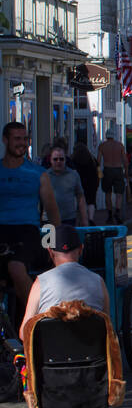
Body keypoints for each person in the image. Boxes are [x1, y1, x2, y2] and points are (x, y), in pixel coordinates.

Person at [1, 121, 61, 307]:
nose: (22, 143)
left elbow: (52, 211)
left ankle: (36, 319)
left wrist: (53, 244)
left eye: (25, 139)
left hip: (27, 232)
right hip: (2, 231)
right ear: (5, 140)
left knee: (16, 267)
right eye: (17, 139)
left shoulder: (38, 174)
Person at [45, 147, 89, 226]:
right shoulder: (44, 176)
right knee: (50, 239)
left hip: (69, 219)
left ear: (65, 160)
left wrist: (84, 219)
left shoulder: (73, 175)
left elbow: (81, 197)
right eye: (55, 159)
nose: (58, 161)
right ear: (50, 160)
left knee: (68, 238)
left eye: (61, 159)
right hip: (48, 220)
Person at [97, 128, 129, 222]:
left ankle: (110, 214)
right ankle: (117, 212)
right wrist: (126, 172)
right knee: (119, 193)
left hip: (107, 170)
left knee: (108, 193)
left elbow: (98, 161)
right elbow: (125, 161)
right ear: (114, 136)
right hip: (118, 169)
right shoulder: (120, 145)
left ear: (106, 136)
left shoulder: (102, 146)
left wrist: (99, 173)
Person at [71, 142, 99, 223]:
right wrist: (98, 181)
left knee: (80, 201)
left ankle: (81, 219)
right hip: (92, 183)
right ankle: (90, 219)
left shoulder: (73, 159)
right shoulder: (92, 159)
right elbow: (98, 170)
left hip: (80, 183)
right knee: (91, 201)